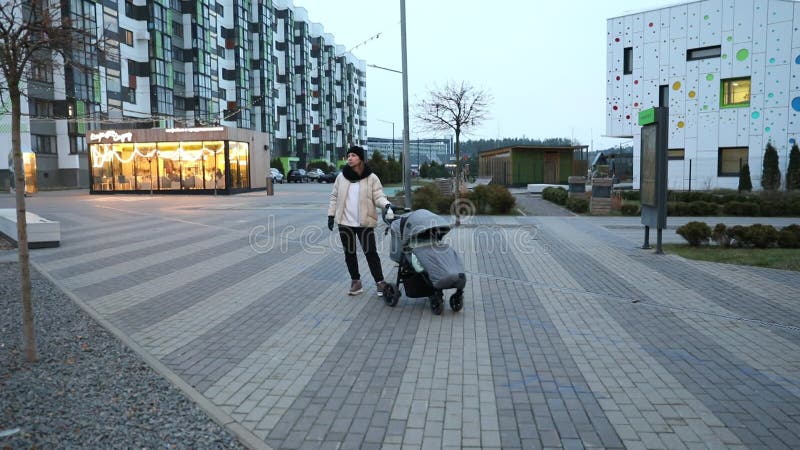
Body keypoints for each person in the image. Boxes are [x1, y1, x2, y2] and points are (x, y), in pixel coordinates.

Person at [328, 145, 391, 296]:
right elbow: (334, 197)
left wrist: (386, 205)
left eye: (353, 155)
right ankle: (356, 282)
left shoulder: (371, 178)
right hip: (345, 223)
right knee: (349, 253)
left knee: (371, 253)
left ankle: (380, 283)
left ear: (360, 158)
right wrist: (331, 215)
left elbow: (378, 196)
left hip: (364, 222)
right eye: (348, 155)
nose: (350, 158)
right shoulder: (341, 177)